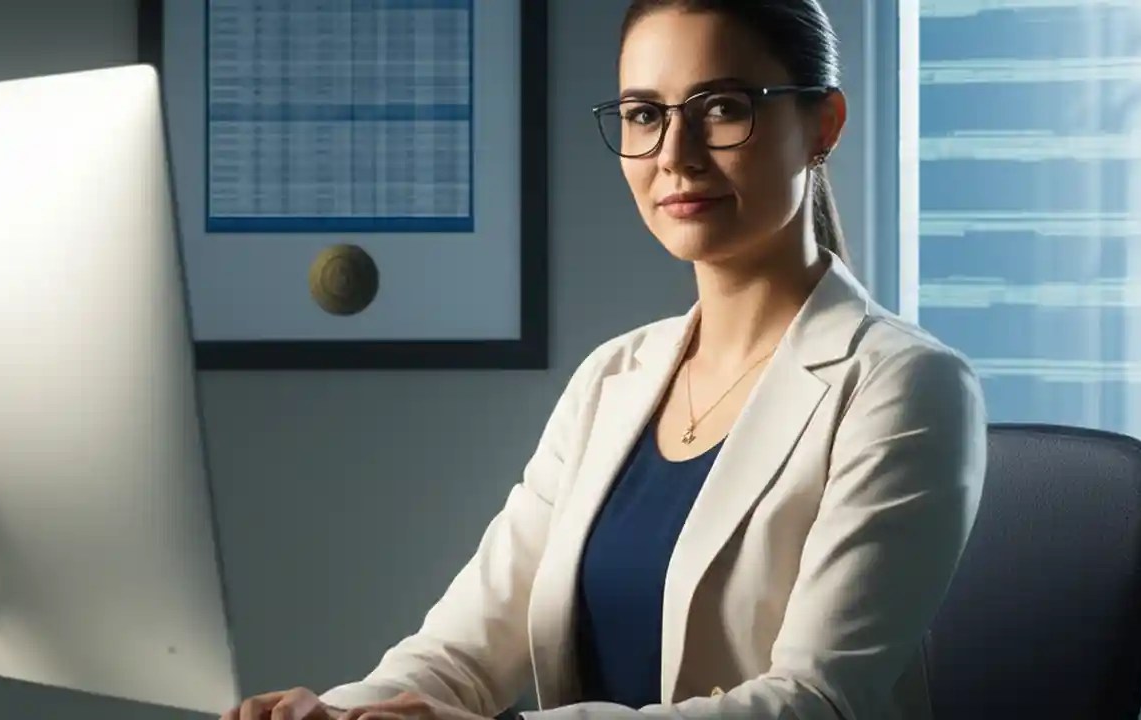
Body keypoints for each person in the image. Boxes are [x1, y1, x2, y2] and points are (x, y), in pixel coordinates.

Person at [221, 1, 987, 718]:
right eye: (644, 115)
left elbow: (815, 700)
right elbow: (459, 652)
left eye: (723, 108)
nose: (675, 156)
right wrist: (340, 710)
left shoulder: (904, 385)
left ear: (823, 123)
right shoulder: (612, 378)